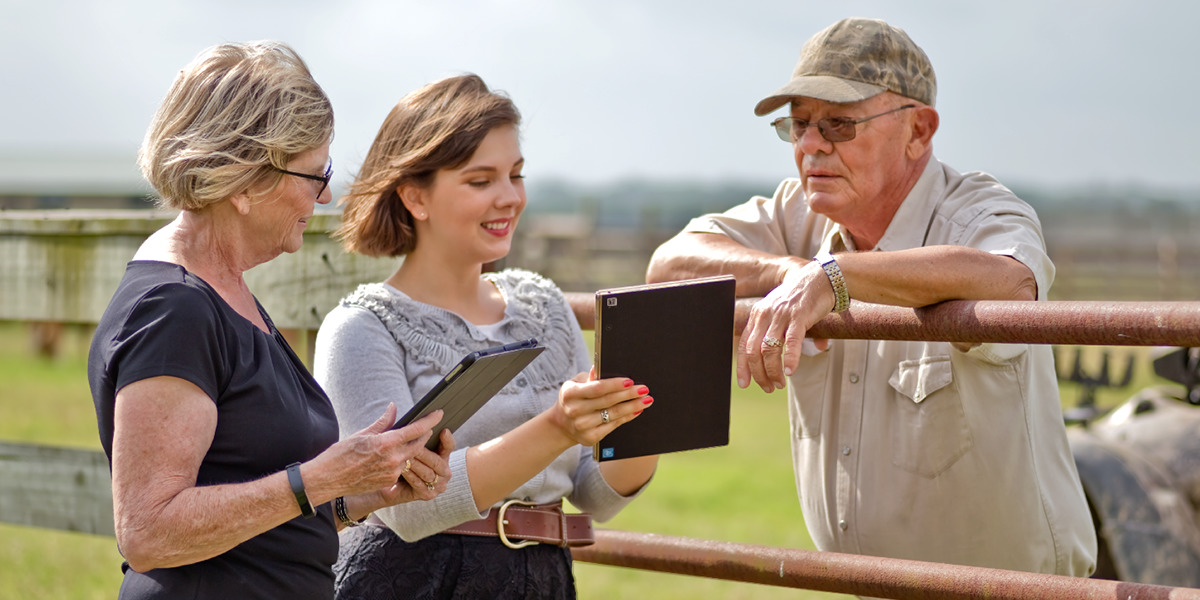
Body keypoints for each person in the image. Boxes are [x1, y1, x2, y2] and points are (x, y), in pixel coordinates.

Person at [647, 17, 1097, 579]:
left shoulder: (978, 211)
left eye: (839, 123)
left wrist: (833, 278)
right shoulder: (801, 214)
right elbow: (669, 264)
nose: (811, 144)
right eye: (799, 124)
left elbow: (1012, 282)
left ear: (919, 130)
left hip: (1010, 591)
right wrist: (788, 272)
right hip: (868, 585)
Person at [87, 41, 453, 600]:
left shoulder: (222, 290)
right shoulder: (174, 308)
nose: (325, 196)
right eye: (314, 174)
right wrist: (321, 477)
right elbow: (149, 532)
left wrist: (366, 490)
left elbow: (258, 513)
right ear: (247, 181)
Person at [313, 74, 659, 599]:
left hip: (543, 579)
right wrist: (559, 426)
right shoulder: (362, 328)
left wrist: (648, 414)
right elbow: (403, 507)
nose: (510, 198)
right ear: (415, 197)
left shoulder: (546, 307)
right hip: (412, 582)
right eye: (481, 181)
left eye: (516, 175)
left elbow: (595, 494)